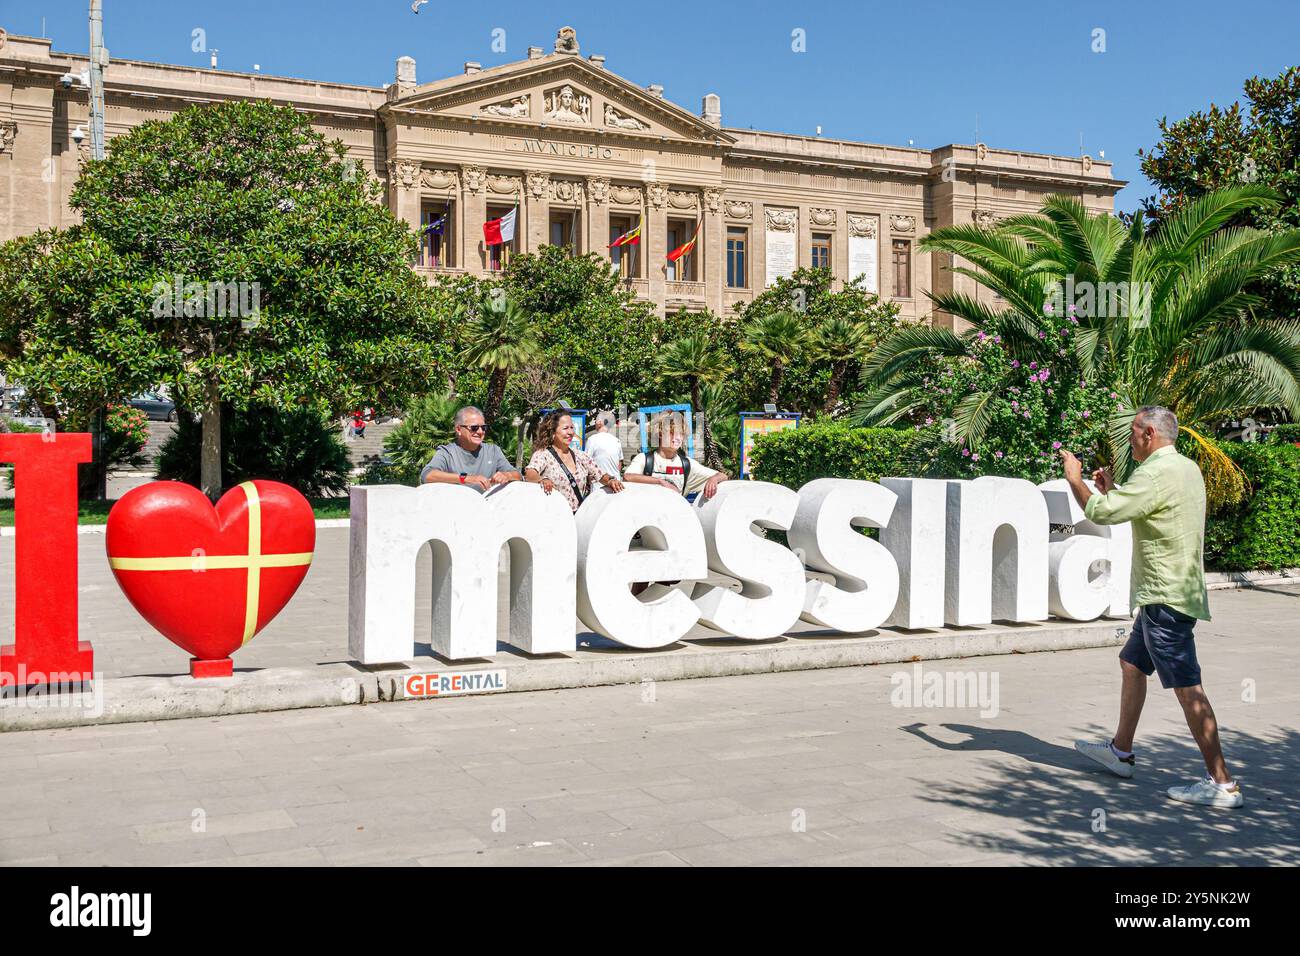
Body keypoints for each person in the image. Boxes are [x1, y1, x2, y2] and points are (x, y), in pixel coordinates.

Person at [1060, 405, 1241, 809]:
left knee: (1188, 688)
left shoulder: (1155, 474)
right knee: (1132, 664)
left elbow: (1103, 513)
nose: (1129, 439)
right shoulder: (1184, 468)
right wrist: (1113, 489)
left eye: (1133, 432)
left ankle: (1223, 784)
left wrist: (1076, 480)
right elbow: (1144, 507)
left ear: (1149, 435)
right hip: (1174, 592)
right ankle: (1121, 752)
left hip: (1165, 597)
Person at [525, 411, 623, 512]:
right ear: (553, 432)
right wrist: (542, 480)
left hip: (577, 518)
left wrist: (611, 480)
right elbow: (530, 473)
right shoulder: (543, 454)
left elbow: (600, 475)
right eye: (565, 428)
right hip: (553, 517)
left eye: (572, 428)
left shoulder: (581, 456)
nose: (571, 432)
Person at [624, 411, 728, 501]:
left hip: (675, 518)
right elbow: (628, 477)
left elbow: (723, 476)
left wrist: (713, 480)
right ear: (660, 433)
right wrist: (660, 482)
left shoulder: (687, 464)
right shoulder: (644, 459)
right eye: (672, 433)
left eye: (681, 434)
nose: (677, 438)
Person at [420, 406, 521, 492]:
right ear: (459, 429)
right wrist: (466, 479)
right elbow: (427, 475)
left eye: (483, 427)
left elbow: (518, 475)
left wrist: (506, 475)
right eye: (474, 428)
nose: (480, 431)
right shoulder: (447, 452)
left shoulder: (493, 451)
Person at [585, 410, 623, 479]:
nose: (595, 423)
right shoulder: (617, 441)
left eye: (595, 420)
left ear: (599, 422)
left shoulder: (592, 440)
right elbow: (620, 462)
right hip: (616, 483)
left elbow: (586, 461)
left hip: (598, 485)